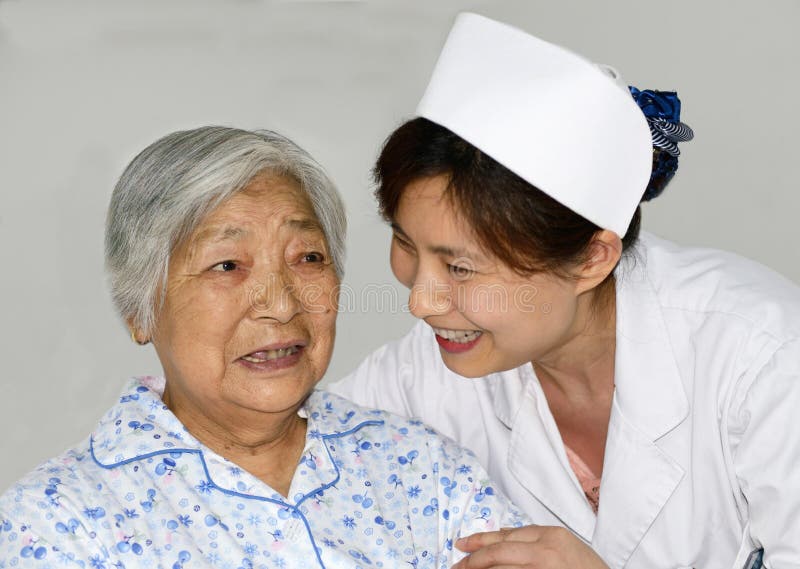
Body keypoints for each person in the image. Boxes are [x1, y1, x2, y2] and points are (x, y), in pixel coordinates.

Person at [329, 13, 800, 569]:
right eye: (406, 244)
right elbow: (274, 450)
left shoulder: (764, 360)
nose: (420, 301)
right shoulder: (423, 375)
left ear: (592, 258)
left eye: (459, 269)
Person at [0, 126, 541, 569]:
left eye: (307, 257)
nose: (281, 305)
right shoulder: (57, 523)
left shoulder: (420, 467)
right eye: (227, 266)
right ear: (139, 310)